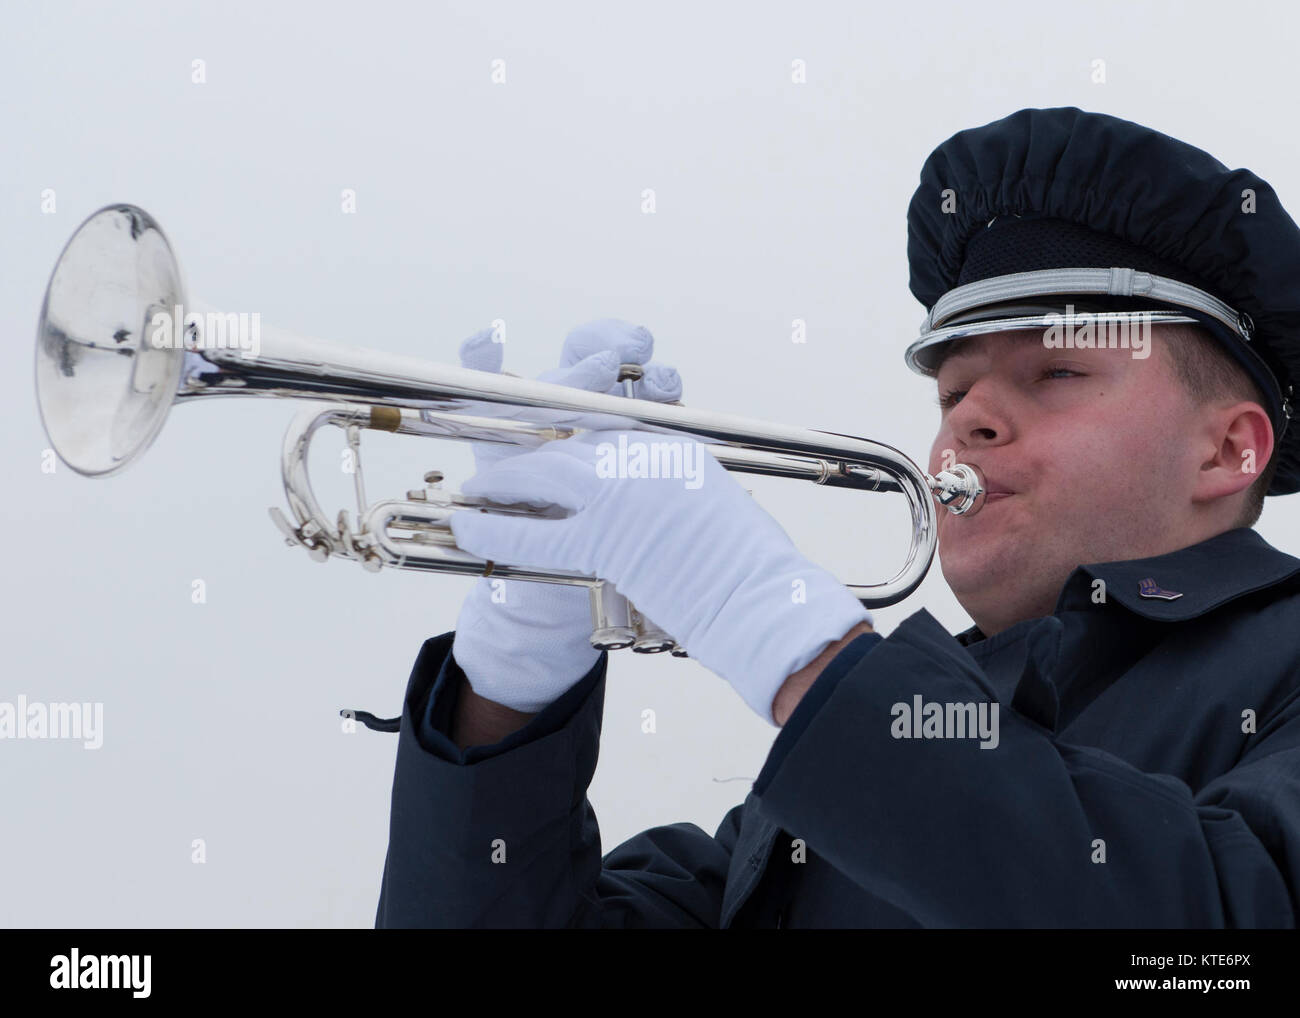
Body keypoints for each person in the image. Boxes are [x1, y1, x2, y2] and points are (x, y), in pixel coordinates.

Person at [363, 107, 1300, 927]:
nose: (968, 419)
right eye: (953, 392)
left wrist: (764, 618)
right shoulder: (809, 805)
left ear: (1228, 451)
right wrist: (511, 677)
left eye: (1055, 371)